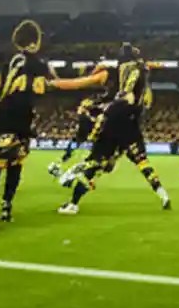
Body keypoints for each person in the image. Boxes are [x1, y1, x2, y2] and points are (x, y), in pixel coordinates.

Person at [0, 20, 107, 234]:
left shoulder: (5, 61)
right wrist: (94, 79)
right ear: (36, 41)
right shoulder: (39, 63)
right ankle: (6, 205)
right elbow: (61, 84)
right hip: (23, 123)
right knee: (15, 165)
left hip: (3, 120)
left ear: (17, 41)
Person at [58, 43, 171, 215]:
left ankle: (73, 201)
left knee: (95, 166)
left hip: (115, 124)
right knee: (142, 162)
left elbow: (117, 100)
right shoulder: (141, 73)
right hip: (132, 125)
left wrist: (97, 124)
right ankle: (163, 195)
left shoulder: (117, 77)